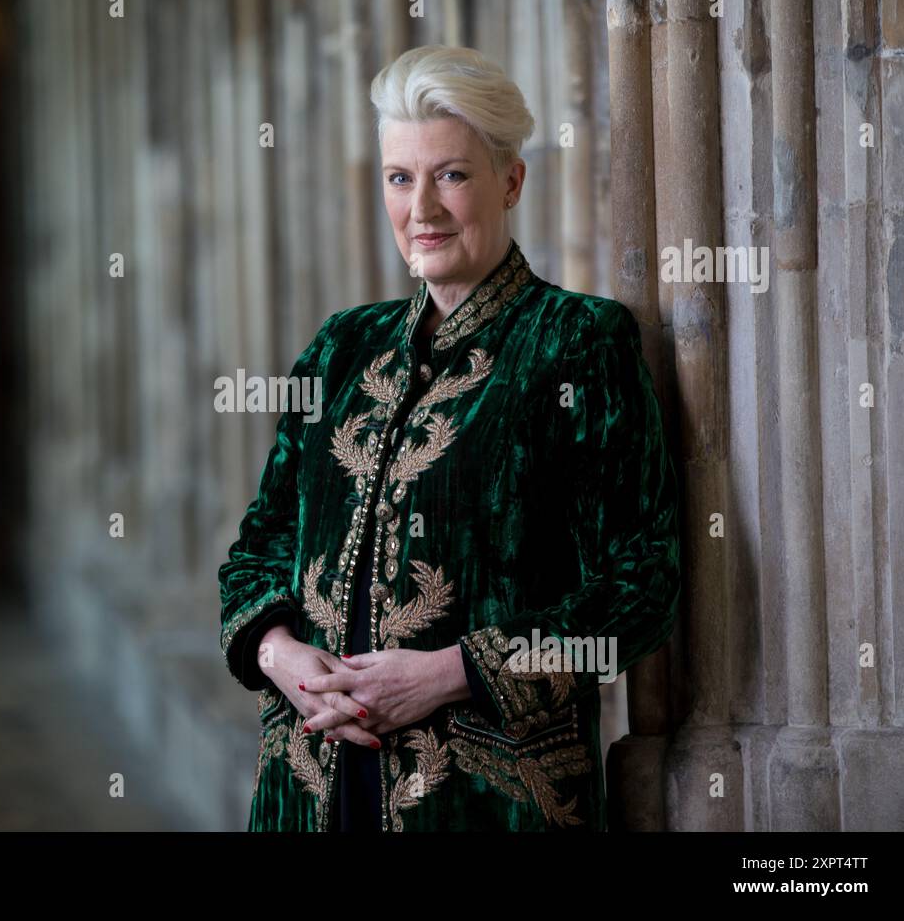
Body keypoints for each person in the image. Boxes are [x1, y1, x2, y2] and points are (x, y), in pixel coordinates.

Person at [218, 45, 680, 831]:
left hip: (488, 801)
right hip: (310, 789)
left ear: (511, 180)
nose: (422, 209)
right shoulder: (340, 349)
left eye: (452, 175)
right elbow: (261, 543)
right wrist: (279, 656)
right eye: (401, 178)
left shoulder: (577, 342)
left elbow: (641, 582)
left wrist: (449, 673)